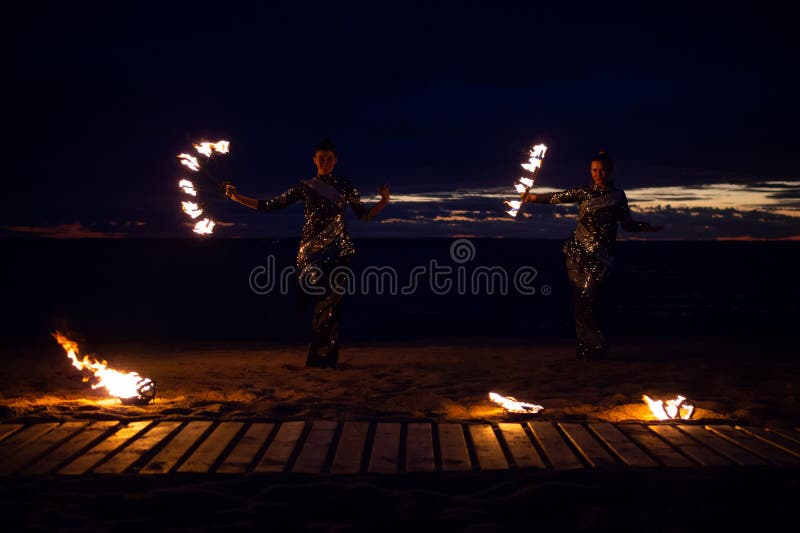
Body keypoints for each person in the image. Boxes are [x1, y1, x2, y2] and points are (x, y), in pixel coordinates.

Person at [224, 138, 390, 368]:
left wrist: (384, 201)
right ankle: (321, 357)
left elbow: (364, 215)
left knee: (331, 305)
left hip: (340, 251)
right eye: (321, 158)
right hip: (310, 254)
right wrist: (236, 197)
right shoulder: (305, 186)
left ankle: (323, 359)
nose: (325, 162)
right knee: (315, 302)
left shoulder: (346, 186)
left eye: (329, 158)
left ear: (336, 160)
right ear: (314, 160)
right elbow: (270, 205)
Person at [521, 151, 663, 360]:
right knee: (579, 300)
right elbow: (556, 197)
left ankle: (598, 342)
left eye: (602, 170)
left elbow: (627, 224)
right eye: (594, 170)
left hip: (601, 256)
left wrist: (647, 227)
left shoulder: (617, 196)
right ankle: (585, 347)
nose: (598, 174)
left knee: (590, 299)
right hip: (576, 251)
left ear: (610, 171)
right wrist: (531, 197)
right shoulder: (583, 192)